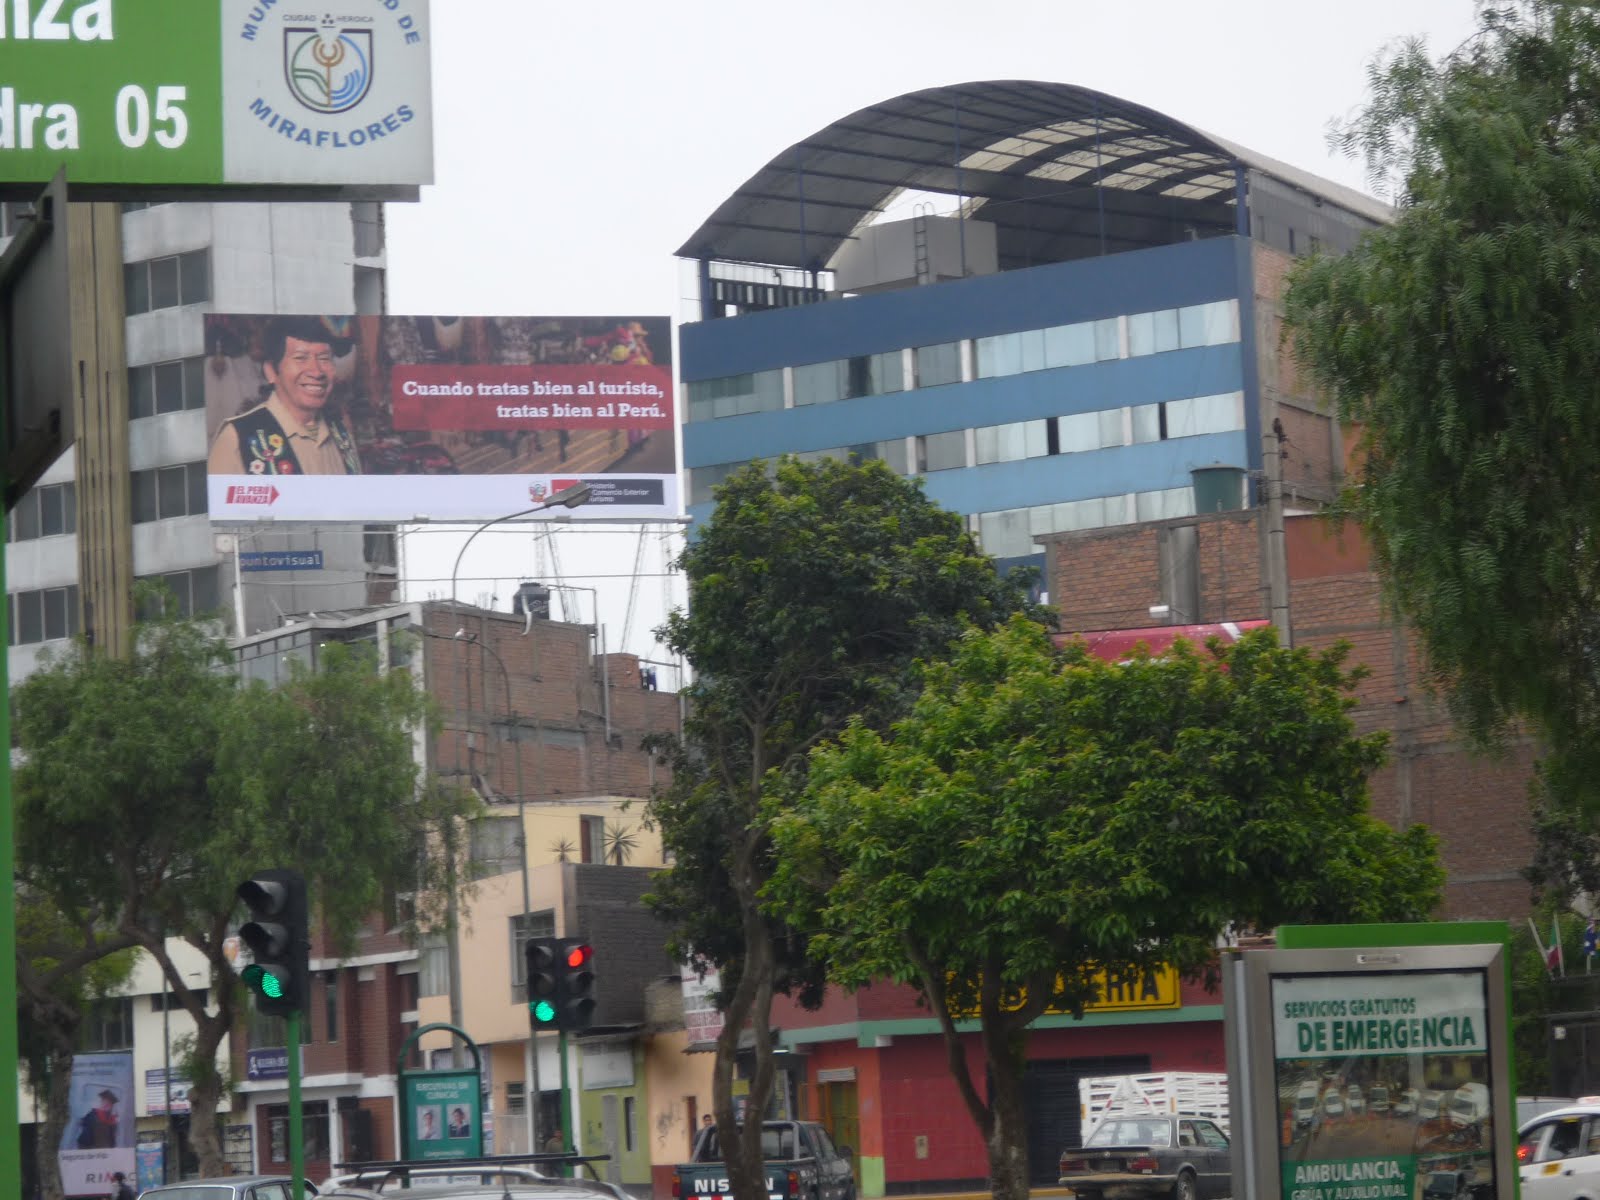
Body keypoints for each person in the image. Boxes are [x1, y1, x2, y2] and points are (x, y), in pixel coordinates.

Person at [207, 316, 362, 476]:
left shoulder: (341, 433)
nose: (316, 372)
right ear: (271, 372)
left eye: (324, 359)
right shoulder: (237, 439)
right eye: (300, 358)